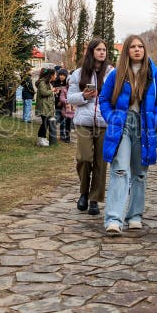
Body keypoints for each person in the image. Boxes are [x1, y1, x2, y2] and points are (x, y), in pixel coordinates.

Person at [99, 35, 157, 234]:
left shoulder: (156, 75)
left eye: (140, 46)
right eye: (133, 47)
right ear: (127, 51)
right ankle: (114, 219)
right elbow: (104, 99)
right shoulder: (117, 74)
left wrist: (156, 120)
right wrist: (111, 117)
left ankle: (135, 215)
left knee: (140, 173)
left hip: (145, 125)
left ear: (145, 50)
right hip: (122, 124)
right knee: (120, 170)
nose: (137, 50)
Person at [68, 39, 113, 215]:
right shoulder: (79, 73)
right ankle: (84, 193)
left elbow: (117, 96)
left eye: (104, 50)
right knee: (84, 158)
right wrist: (84, 96)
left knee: (101, 162)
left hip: (104, 123)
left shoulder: (111, 73)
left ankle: (94, 199)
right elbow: (70, 97)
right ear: (92, 52)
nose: (102, 52)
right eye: (99, 49)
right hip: (84, 122)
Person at [35, 68, 57, 147]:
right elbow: (43, 93)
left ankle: (43, 138)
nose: (56, 76)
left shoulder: (47, 83)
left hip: (47, 106)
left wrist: (53, 91)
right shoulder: (42, 82)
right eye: (55, 75)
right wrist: (52, 90)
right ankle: (40, 140)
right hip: (43, 106)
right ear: (51, 75)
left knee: (46, 123)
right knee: (44, 123)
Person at [53, 69, 71, 142]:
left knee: (63, 121)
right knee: (56, 119)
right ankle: (53, 134)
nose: (62, 76)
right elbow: (54, 92)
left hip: (64, 105)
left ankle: (62, 135)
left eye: (63, 75)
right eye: (60, 75)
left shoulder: (67, 84)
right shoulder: (55, 82)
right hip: (56, 103)